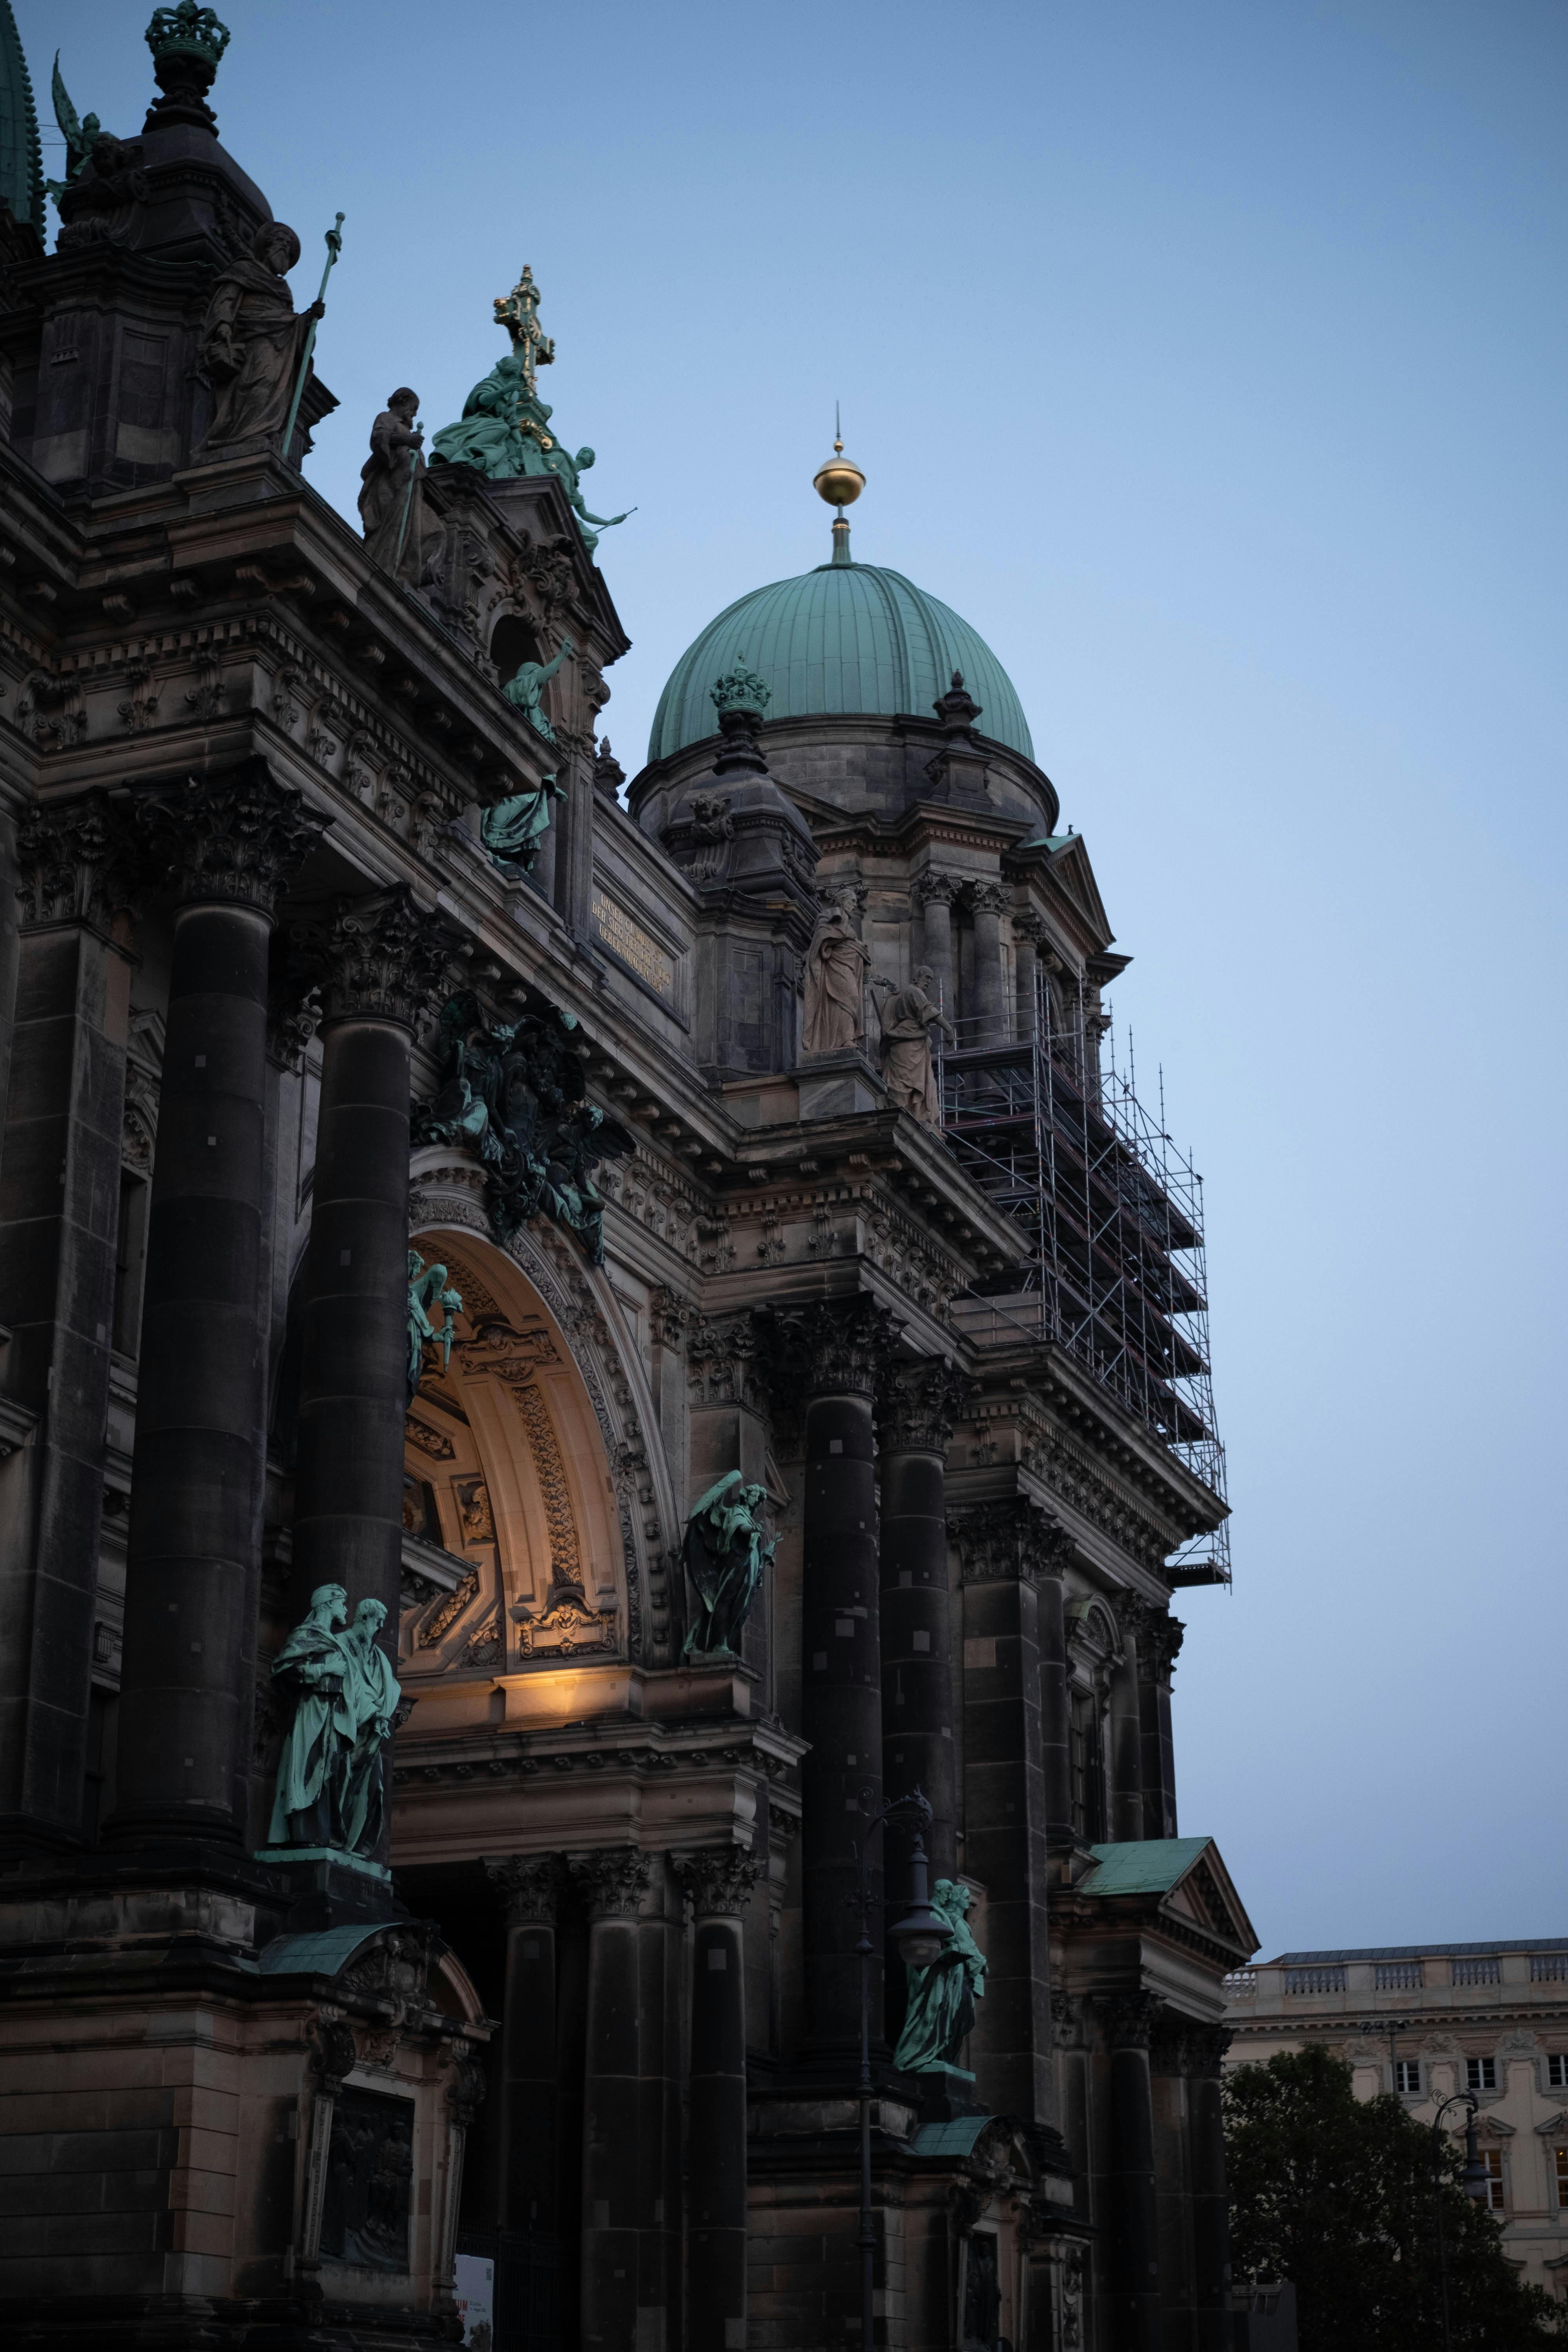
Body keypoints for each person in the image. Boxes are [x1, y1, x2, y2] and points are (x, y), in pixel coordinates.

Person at [198, 223, 323, 453]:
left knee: (277, 389)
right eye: (281, 243)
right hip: (253, 337)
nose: (285, 249)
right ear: (267, 246)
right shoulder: (245, 269)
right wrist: (223, 324)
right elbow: (226, 299)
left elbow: (287, 319)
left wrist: (308, 319)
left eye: (289, 248)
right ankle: (244, 436)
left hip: (280, 342)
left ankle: (259, 434)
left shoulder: (283, 288)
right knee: (260, 382)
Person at [267, 1583, 354, 1847]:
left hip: (331, 1714)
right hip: (311, 1711)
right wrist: (324, 1669)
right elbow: (283, 1669)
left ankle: (321, 1834)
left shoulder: (332, 1639)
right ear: (328, 1603)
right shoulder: (307, 1634)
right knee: (307, 1768)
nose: (346, 1608)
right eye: (342, 1602)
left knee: (329, 1771)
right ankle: (304, 1833)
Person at [892, 1879, 987, 2072]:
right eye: (947, 1892)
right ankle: (919, 2056)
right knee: (933, 2013)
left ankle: (938, 2054)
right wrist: (977, 1960)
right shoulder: (936, 1913)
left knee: (951, 2017)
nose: (949, 1895)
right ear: (940, 1891)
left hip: (950, 1973)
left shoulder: (943, 1914)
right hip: (936, 1974)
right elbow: (950, 1937)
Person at [683, 1469, 775, 1657]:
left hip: (748, 1566)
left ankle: (724, 1640)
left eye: (759, 1497)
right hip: (735, 1563)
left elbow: (753, 1551)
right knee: (726, 1600)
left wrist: (765, 1556)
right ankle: (719, 1642)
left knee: (743, 1604)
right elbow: (737, 1526)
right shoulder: (736, 1511)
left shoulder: (751, 1518)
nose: (757, 1499)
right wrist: (751, 1529)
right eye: (755, 1495)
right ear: (747, 1495)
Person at [338, 1599, 402, 1857]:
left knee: (375, 1789)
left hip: (372, 1735)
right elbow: (344, 1683)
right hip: (345, 1730)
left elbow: (391, 1689)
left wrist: (382, 1714)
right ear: (363, 1619)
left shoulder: (379, 1657)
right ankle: (336, 1839)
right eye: (378, 1622)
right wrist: (371, 1712)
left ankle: (352, 1845)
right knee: (339, 1783)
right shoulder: (340, 1644)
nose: (380, 1628)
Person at [358, 388, 439, 582]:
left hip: (410, 492)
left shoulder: (407, 429)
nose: (415, 413)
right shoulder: (387, 418)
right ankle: (381, 569)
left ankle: (402, 571)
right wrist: (406, 440)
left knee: (435, 532)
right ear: (403, 403)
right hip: (391, 486)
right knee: (388, 530)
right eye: (414, 407)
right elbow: (378, 439)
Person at [872, 965, 956, 1125]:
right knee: (905, 1081)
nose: (929, 982)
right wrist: (948, 1028)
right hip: (908, 1044)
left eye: (931, 979)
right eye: (927, 978)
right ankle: (905, 1117)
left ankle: (912, 1115)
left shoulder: (900, 996)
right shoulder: (913, 992)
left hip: (908, 1043)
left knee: (909, 1082)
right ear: (917, 977)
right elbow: (929, 1010)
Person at [428, 354, 532, 479]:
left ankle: (474, 460)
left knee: (505, 448)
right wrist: (503, 391)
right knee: (503, 428)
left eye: (515, 377)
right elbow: (482, 400)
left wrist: (521, 443)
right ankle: (463, 456)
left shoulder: (512, 396)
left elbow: (512, 423)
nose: (513, 379)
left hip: (496, 431)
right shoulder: (491, 383)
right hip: (478, 422)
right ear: (506, 372)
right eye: (512, 375)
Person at [802, 902, 871, 1054]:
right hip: (835, 967)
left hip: (848, 968)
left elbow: (854, 947)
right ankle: (844, 1039)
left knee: (847, 1002)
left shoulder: (849, 926)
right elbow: (822, 936)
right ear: (842, 900)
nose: (854, 905)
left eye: (855, 902)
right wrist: (845, 935)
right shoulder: (834, 917)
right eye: (852, 901)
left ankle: (844, 1038)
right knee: (849, 998)